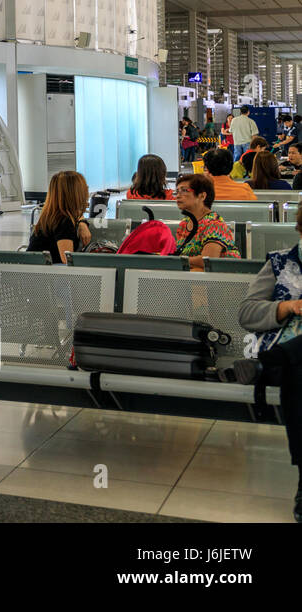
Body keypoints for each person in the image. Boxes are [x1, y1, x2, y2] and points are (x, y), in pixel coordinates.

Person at [234, 206, 302, 522]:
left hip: (285, 363)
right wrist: (287, 307)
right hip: (286, 363)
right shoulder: (279, 263)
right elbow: (247, 313)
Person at [173, 172, 242, 270]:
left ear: (202, 196)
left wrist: (175, 261)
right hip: (195, 278)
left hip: (221, 281)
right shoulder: (184, 224)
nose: (178, 196)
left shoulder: (214, 224)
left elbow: (207, 260)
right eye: (177, 192)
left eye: (184, 190)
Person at [27, 170, 90, 265]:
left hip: (30, 272)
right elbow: (67, 261)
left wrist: (82, 223)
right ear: (75, 194)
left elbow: (78, 215)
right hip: (42, 276)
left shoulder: (53, 215)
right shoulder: (64, 222)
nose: (87, 193)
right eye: (84, 189)